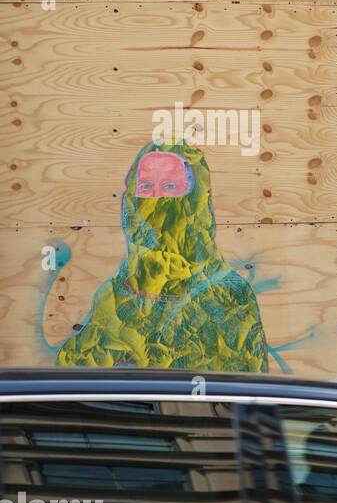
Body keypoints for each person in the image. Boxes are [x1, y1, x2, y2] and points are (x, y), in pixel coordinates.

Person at [56, 141, 268, 372]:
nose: (156, 199)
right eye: (146, 186)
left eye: (169, 186)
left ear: (195, 197)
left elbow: (246, 386)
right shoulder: (115, 293)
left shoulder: (230, 293)